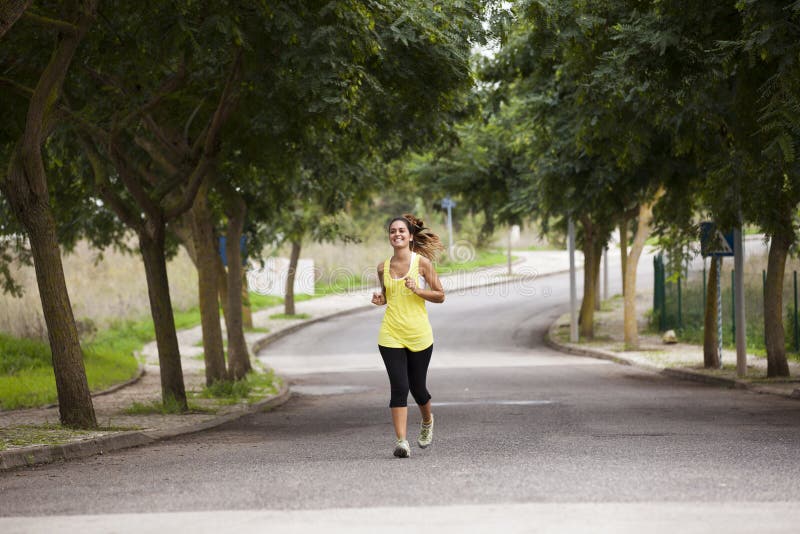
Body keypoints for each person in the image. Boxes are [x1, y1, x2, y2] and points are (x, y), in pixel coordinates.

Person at [371, 214, 445, 458]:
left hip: (419, 334)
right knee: (400, 387)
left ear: (411, 236)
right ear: (389, 237)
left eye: (401, 230)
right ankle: (402, 441)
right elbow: (387, 295)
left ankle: (427, 420)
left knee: (418, 388)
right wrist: (380, 299)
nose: (397, 234)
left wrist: (418, 290)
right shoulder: (382, 267)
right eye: (393, 231)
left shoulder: (422, 263)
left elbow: (440, 295)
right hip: (390, 334)